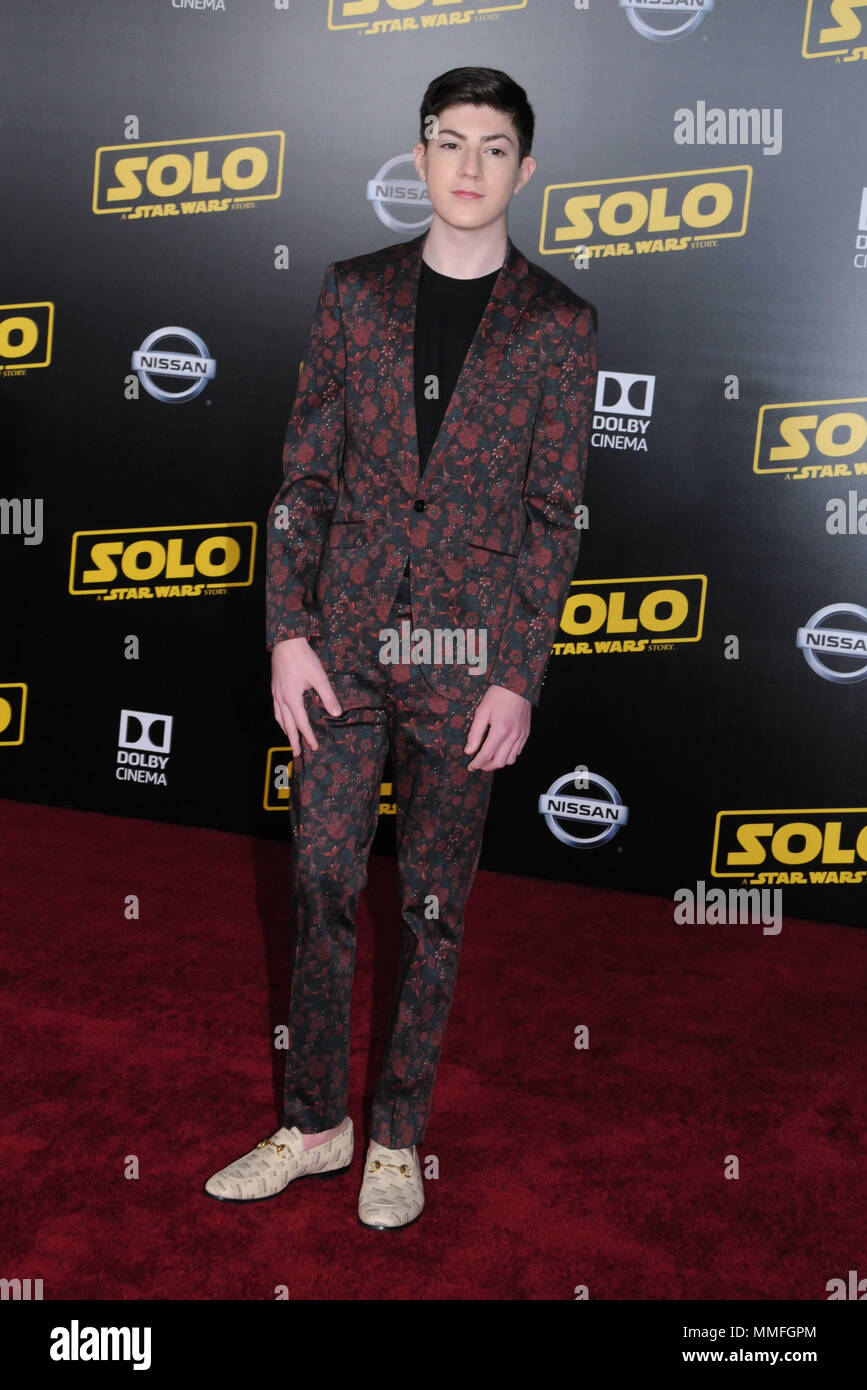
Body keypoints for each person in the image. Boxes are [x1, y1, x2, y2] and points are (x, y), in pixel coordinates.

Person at [204, 66, 597, 1229]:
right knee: (323, 878)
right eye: (448, 142)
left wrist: (520, 673)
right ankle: (316, 1123)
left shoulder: (561, 326)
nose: (468, 166)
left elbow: (551, 515)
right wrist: (287, 634)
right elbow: (304, 481)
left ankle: (397, 1138)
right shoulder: (355, 295)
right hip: (345, 648)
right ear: (419, 158)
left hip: (469, 664)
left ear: (525, 171)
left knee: (431, 906)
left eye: (493, 148)